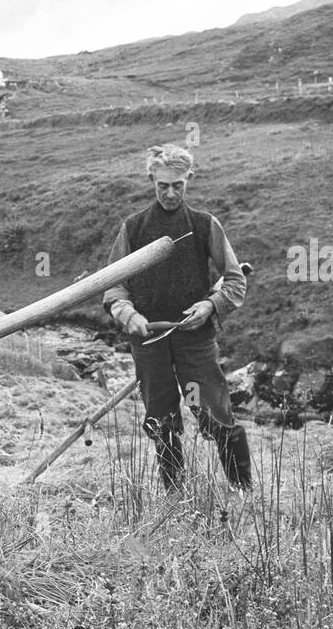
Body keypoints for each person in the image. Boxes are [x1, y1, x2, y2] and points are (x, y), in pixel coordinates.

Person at [101, 144, 252, 492]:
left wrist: (211, 305)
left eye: (178, 185)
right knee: (161, 422)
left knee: (213, 415)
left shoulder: (204, 225)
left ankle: (244, 492)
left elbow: (234, 280)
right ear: (151, 180)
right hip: (148, 341)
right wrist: (128, 313)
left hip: (193, 340)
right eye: (162, 185)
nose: (170, 193)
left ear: (190, 180)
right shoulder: (133, 228)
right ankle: (175, 497)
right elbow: (112, 286)